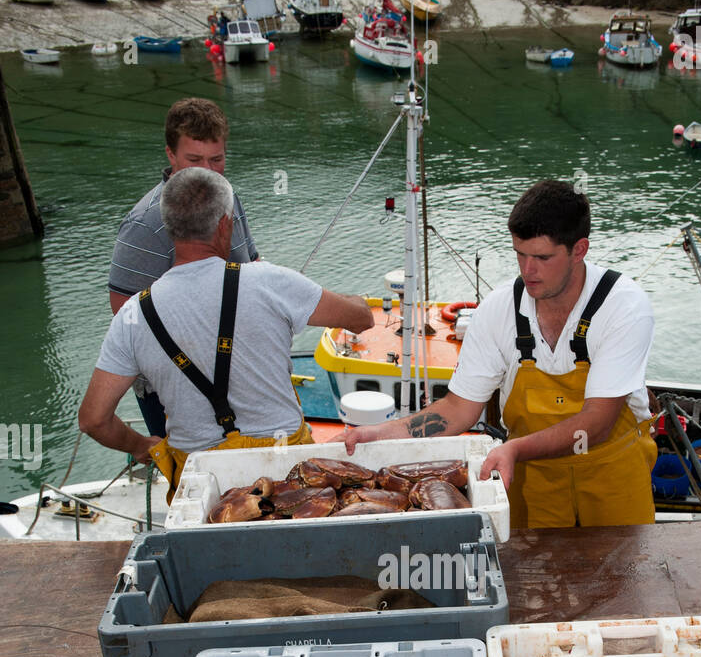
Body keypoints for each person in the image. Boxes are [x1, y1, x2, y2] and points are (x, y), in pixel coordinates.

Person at [344, 179, 657, 528]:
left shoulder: (623, 305)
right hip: (531, 479)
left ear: (579, 249)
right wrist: (382, 433)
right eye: (520, 254)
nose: (528, 271)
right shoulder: (499, 309)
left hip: (612, 477)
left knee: (625, 578)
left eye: (542, 257)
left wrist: (515, 448)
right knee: (533, 579)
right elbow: (458, 409)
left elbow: (597, 424)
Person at [81, 168, 373, 498]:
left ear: (169, 226)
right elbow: (361, 318)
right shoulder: (271, 282)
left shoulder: (134, 314)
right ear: (225, 224)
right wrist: (352, 301)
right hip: (285, 475)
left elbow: (93, 420)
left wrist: (141, 446)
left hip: (200, 482)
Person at [108, 97, 259, 438]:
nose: (206, 171)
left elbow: (251, 264)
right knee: (187, 480)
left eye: (216, 159)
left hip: (235, 372)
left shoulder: (228, 199)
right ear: (170, 155)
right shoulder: (145, 224)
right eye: (194, 160)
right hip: (173, 386)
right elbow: (125, 314)